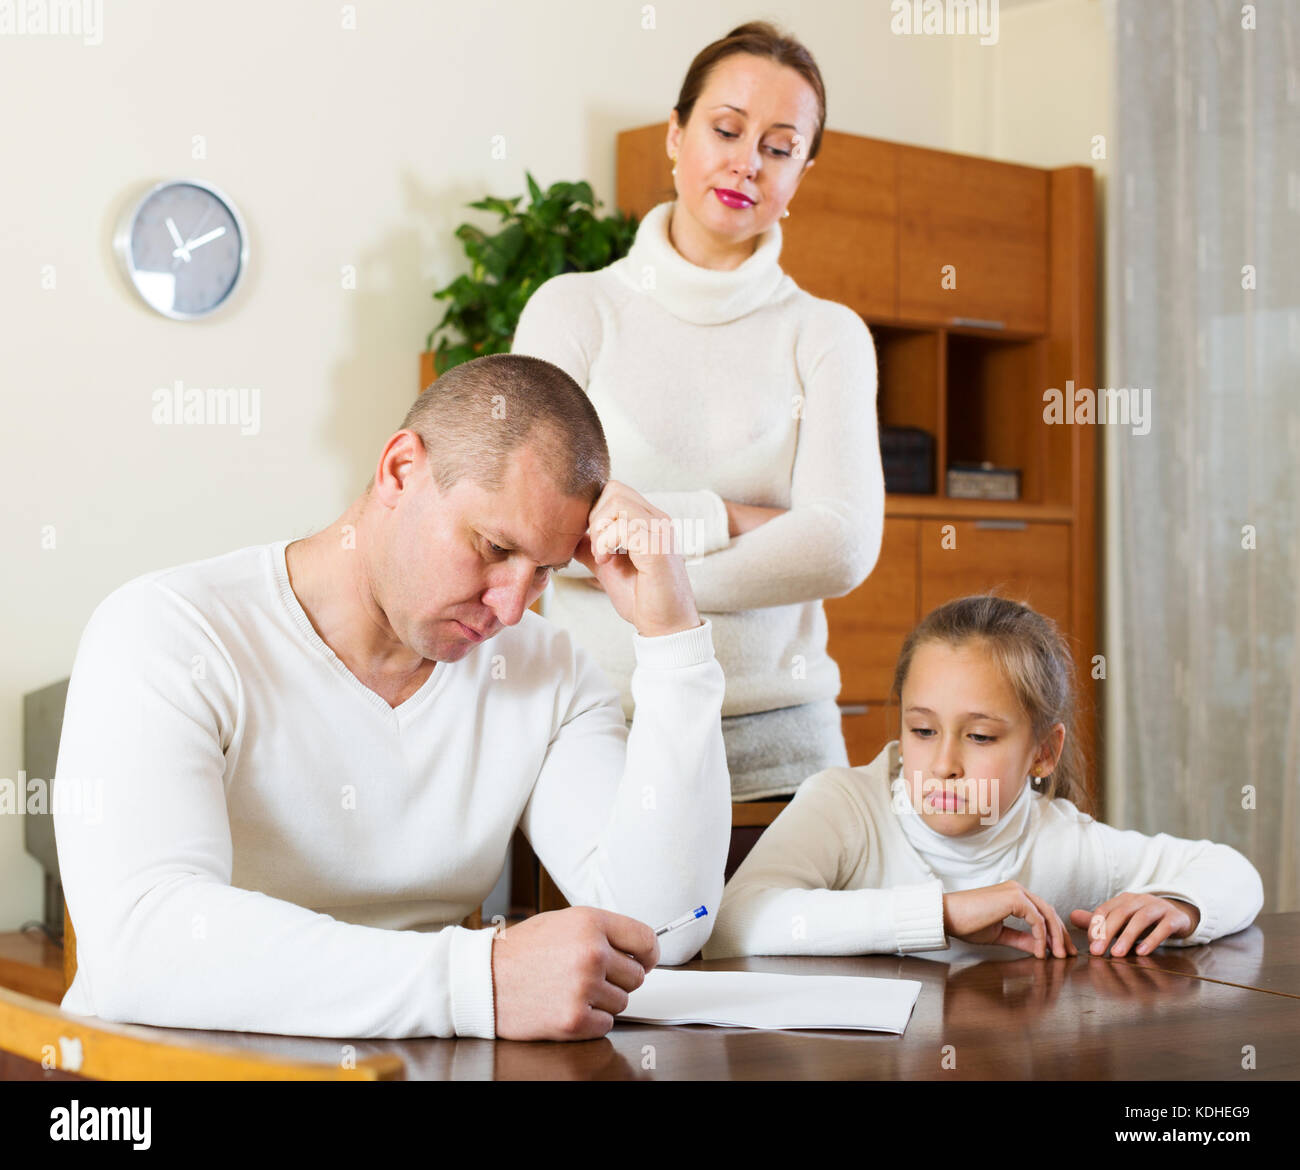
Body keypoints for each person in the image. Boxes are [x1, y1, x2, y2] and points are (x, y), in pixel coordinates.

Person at [53, 353, 731, 1042]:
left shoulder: (545, 674)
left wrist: (673, 636)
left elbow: (661, 927)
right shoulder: (167, 630)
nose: (512, 605)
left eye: (545, 573)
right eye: (495, 546)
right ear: (401, 470)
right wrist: (474, 981)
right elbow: (140, 944)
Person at [510, 20, 884, 800]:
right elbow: (539, 519)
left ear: (801, 172)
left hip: (785, 742)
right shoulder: (573, 312)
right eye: (725, 129)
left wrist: (637, 564)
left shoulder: (827, 336)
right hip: (599, 730)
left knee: (804, 926)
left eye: (780, 148)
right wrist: (749, 522)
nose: (747, 162)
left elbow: (842, 547)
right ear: (676, 135)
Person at [704, 594, 1264, 959]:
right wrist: (942, 913)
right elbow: (734, 923)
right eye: (922, 731)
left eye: (979, 737)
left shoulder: (1065, 844)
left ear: (1044, 753)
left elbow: (1235, 874)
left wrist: (1182, 906)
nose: (944, 763)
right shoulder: (846, 806)